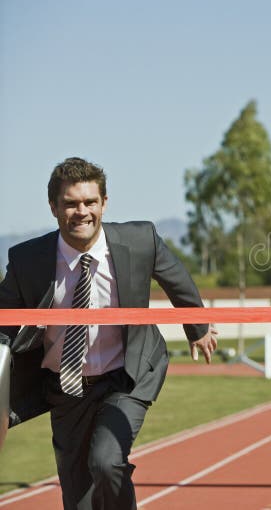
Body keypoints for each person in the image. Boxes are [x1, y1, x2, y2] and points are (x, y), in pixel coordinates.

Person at [0, 157, 218, 510]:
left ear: (104, 203)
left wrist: (198, 328)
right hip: (66, 388)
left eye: (90, 202)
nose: (81, 212)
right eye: (70, 203)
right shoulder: (28, 260)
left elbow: (177, 281)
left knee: (106, 460)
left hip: (126, 377)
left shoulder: (139, 239)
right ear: (53, 207)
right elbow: (4, 319)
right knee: (78, 499)